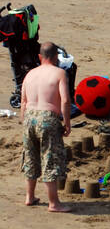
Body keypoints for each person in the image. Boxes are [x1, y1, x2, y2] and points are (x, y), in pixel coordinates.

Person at [20, 42, 71, 212]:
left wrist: (24, 121)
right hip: (47, 118)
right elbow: (65, 100)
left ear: (40, 57)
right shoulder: (59, 73)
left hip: (29, 117)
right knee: (50, 158)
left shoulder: (30, 74)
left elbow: (24, 101)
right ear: (56, 57)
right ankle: (54, 203)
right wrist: (66, 123)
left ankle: (29, 196)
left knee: (30, 157)